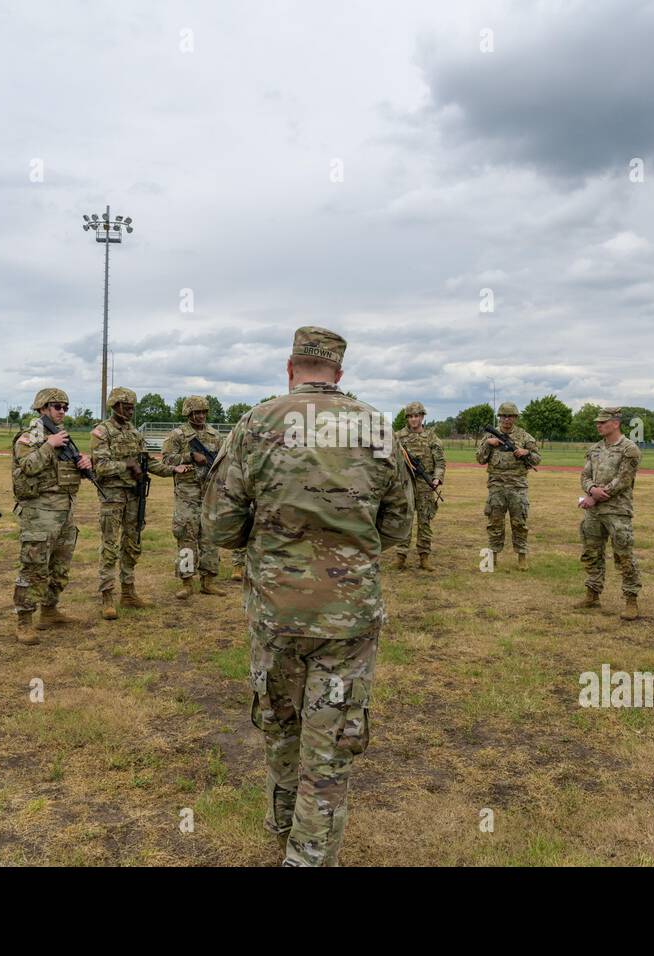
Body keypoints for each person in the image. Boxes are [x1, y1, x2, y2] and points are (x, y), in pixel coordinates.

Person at [203, 326, 413, 866]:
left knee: (280, 722)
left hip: (277, 609)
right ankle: (309, 853)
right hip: (348, 615)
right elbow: (398, 528)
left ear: (291, 368)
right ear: (339, 374)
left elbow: (221, 526)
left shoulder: (256, 423)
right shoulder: (378, 428)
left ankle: (282, 827)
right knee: (331, 739)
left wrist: (274, 545)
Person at [11, 388, 92, 642]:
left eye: (65, 408)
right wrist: (49, 445)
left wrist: (85, 464)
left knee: (60, 566)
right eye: (58, 407)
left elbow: (66, 471)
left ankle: (50, 610)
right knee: (34, 567)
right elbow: (28, 466)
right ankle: (24, 621)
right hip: (39, 513)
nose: (62, 412)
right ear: (43, 408)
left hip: (65, 512)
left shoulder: (63, 437)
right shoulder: (30, 437)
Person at [148, 395, 227, 599]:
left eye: (203, 412)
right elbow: (165, 459)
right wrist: (189, 456)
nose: (200, 416)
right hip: (187, 495)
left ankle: (208, 581)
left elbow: (222, 461)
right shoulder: (178, 435)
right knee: (186, 537)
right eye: (196, 413)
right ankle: (187, 582)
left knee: (209, 539)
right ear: (188, 414)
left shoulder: (215, 435)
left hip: (209, 493)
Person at [574, 407, 642, 618]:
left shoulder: (629, 449)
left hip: (617, 511)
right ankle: (592, 593)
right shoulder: (594, 449)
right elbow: (584, 476)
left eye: (603, 422)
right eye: (598, 422)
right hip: (594, 512)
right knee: (592, 552)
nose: (598, 425)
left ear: (615, 423)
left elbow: (622, 480)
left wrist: (594, 495)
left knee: (623, 554)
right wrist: (590, 488)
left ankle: (631, 600)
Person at [89, 386, 150, 617]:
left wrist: (174, 468)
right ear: (114, 406)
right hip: (112, 497)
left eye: (133, 407)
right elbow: (101, 467)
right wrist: (127, 465)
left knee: (131, 545)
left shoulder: (134, 433)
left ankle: (128, 592)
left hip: (134, 496)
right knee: (110, 547)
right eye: (127, 407)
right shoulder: (101, 432)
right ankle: (107, 596)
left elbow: (145, 461)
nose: (131, 411)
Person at [476, 401, 540, 570]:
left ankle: (522, 557)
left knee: (519, 523)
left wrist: (525, 452)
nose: (506, 419)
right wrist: (488, 444)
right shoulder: (490, 437)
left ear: (515, 418)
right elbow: (480, 459)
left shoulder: (525, 437)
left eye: (510, 416)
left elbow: (536, 459)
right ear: (499, 417)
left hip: (517, 487)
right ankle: (492, 558)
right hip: (496, 486)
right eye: (503, 416)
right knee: (494, 523)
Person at [392, 401, 445, 571]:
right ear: (407, 418)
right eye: (411, 416)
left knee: (425, 521)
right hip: (404, 484)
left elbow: (440, 462)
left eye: (417, 416)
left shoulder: (431, 438)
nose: (414, 419)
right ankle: (400, 555)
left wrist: (437, 479)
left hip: (425, 484)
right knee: (404, 520)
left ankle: (424, 557)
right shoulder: (398, 437)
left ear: (422, 417)